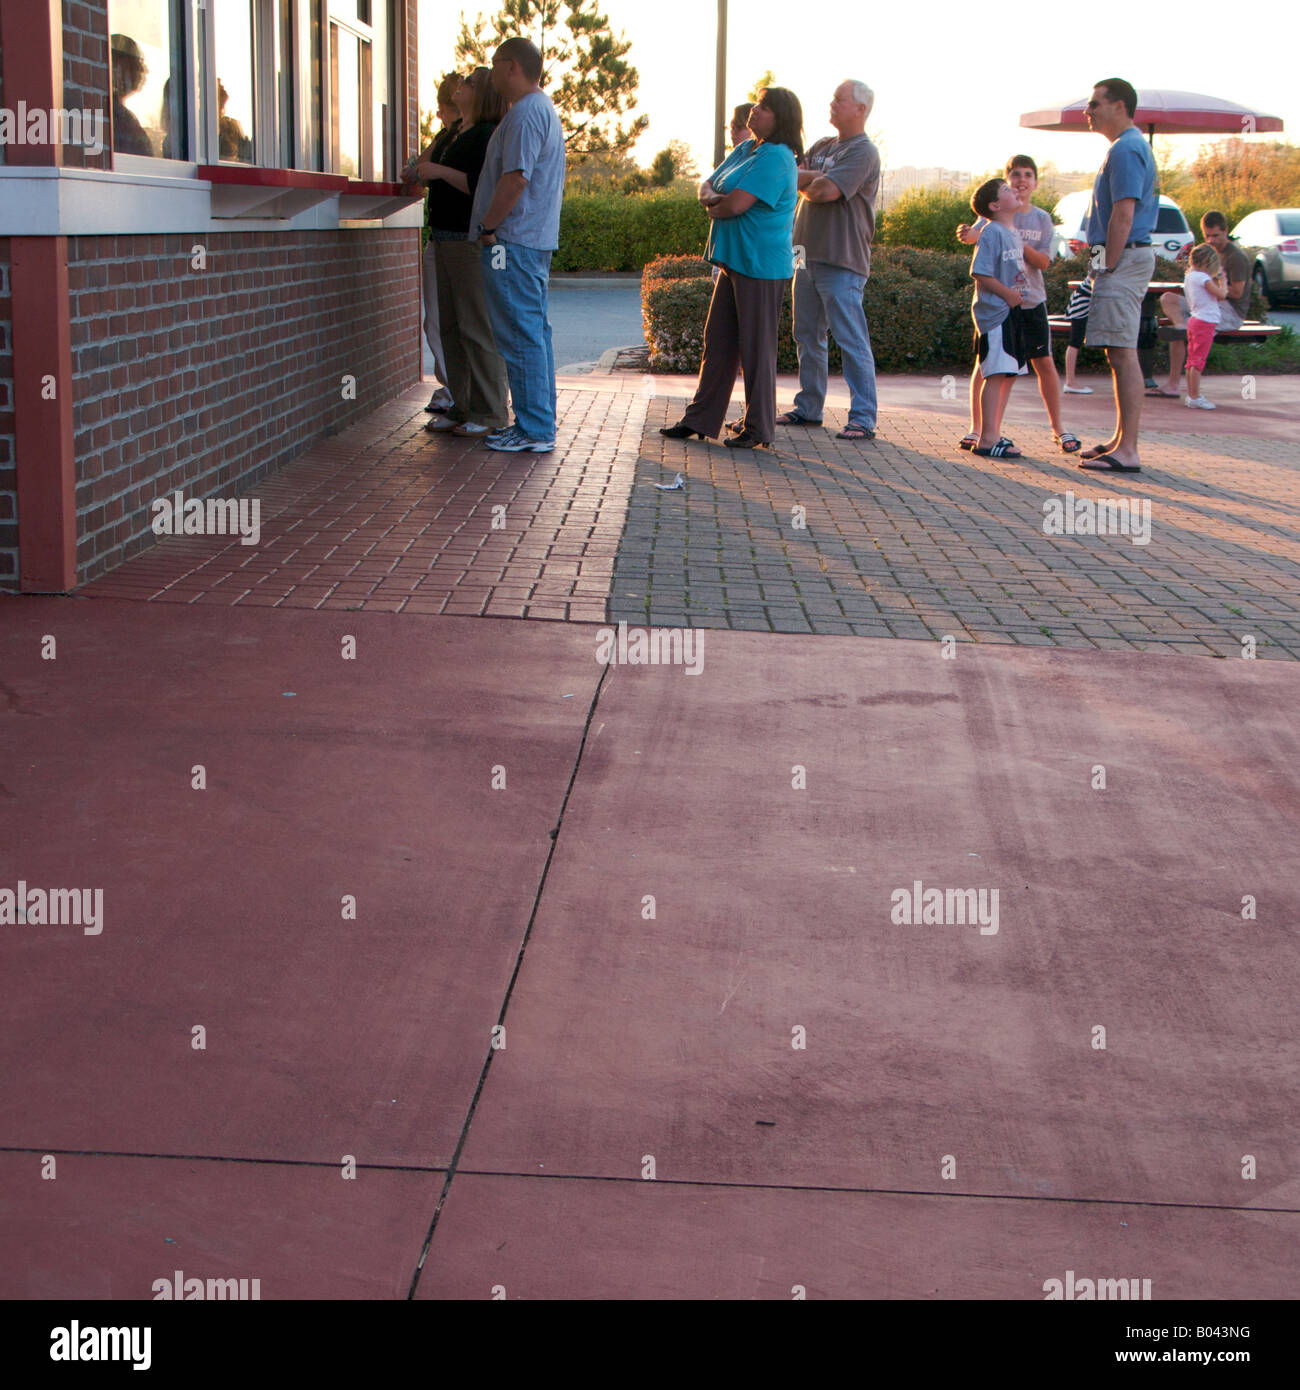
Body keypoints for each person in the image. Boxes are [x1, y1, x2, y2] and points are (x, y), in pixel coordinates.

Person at [660, 88, 802, 449]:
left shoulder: (776, 158)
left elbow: (736, 204)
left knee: (756, 349)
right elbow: (706, 186)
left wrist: (716, 204)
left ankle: (758, 429)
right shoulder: (746, 149)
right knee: (719, 342)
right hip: (733, 260)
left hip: (760, 265)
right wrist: (712, 198)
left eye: (764, 107)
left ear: (780, 117)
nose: (754, 111)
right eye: (756, 104)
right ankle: (700, 419)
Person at [471, 37, 567, 453]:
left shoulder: (527, 113)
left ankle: (533, 429)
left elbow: (516, 178)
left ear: (512, 66)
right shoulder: (538, 109)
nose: (490, 74)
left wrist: (488, 227)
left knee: (518, 331)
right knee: (532, 331)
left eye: (494, 65)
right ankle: (538, 422)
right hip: (526, 241)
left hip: (512, 240)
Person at [956, 155, 1080, 454]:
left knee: (1029, 364)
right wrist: (970, 234)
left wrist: (1016, 239)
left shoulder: (1039, 219)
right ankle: (984, 432)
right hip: (1000, 308)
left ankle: (1056, 429)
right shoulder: (992, 221)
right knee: (990, 367)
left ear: (1035, 182)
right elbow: (976, 248)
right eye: (1015, 176)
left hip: (1029, 300)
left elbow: (1043, 261)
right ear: (1006, 183)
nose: (1021, 181)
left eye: (1027, 175)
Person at [783, 79, 881, 442]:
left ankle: (863, 417)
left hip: (842, 260)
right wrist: (813, 177)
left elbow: (824, 191)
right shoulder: (824, 145)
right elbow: (790, 177)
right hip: (804, 256)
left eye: (840, 100)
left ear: (861, 109)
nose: (832, 103)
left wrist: (811, 179)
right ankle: (809, 409)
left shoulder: (864, 152)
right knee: (807, 335)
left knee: (850, 339)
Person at [417, 68, 510, 438]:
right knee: (451, 327)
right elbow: (419, 170)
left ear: (481, 93)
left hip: (468, 239)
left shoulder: (487, 135)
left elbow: (477, 185)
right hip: (442, 237)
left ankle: (490, 411)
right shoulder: (456, 132)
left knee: (476, 327)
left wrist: (438, 170)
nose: (460, 86)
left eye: (468, 83)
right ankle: (462, 404)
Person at [1077, 78, 1157, 474]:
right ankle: (1120, 439)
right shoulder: (1124, 147)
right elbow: (1107, 218)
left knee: (1123, 353)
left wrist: (1105, 263)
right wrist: (1097, 262)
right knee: (1116, 351)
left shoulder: (1126, 149)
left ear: (1120, 106)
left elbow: (1124, 214)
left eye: (1095, 103)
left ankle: (1128, 451)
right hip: (1120, 258)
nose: (1087, 111)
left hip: (1124, 259)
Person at [406, 73, 464, 414]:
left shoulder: (461, 138)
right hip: (444, 237)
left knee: (444, 319)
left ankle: (457, 389)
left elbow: (414, 172)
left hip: (453, 238)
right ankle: (455, 387)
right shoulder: (449, 137)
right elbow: (417, 169)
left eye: (440, 111)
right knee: (444, 320)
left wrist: (426, 169)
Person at [1154, 211, 1251, 397]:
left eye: (1216, 235)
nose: (1211, 240)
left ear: (1226, 231)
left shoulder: (1235, 257)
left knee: (1193, 326)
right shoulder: (1205, 252)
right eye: (1207, 236)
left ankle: (1186, 387)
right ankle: (1180, 327)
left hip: (1230, 310)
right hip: (1207, 303)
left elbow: (1237, 293)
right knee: (1168, 299)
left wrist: (1211, 285)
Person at [966, 177, 1029, 458]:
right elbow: (979, 271)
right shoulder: (992, 232)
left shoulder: (1012, 231)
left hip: (1011, 311)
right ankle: (987, 438)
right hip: (996, 313)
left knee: (1005, 373)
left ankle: (993, 431)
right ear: (994, 205)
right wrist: (1008, 295)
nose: (1013, 189)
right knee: (994, 373)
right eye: (1005, 190)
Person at [1176, 244, 1228, 410]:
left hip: (1195, 320)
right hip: (1205, 321)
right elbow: (1221, 295)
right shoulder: (1203, 278)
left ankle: (1192, 395)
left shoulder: (1190, 276)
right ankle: (1195, 396)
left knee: (1192, 360)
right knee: (1198, 361)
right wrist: (1223, 280)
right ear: (1207, 261)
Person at [111, 34, 154, 156]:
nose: (144, 70)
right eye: (138, 62)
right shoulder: (118, 117)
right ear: (119, 68)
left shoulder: (120, 115)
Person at [1062, 277, 1093, 393]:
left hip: (1083, 300)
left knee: (1076, 341)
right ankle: (1070, 381)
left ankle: (1070, 381)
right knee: (1075, 341)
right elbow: (1095, 278)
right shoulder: (1100, 259)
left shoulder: (1100, 260)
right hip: (1083, 302)